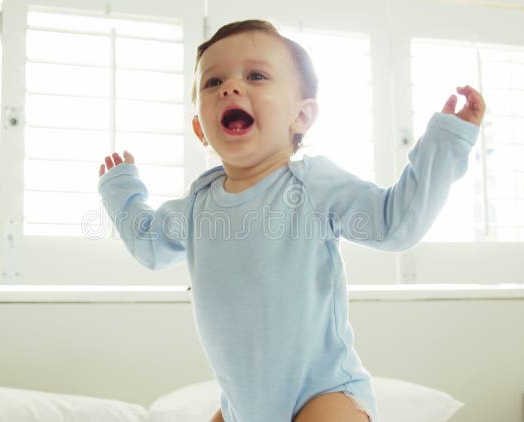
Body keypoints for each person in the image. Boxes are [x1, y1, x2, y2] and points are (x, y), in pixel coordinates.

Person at [98, 20, 484, 422]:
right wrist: (121, 190)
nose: (231, 87)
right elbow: (150, 246)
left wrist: (446, 141)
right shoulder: (197, 206)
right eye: (213, 82)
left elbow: (395, 222)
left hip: (325, 392)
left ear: (301, 116)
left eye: (256, 75)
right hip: (240, 408)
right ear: (199, 128)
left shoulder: (313, 184)